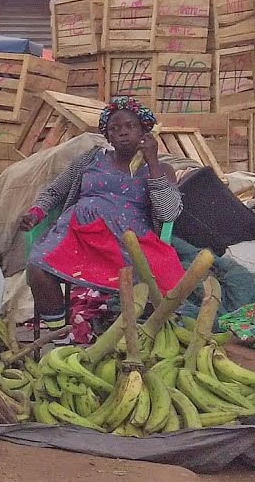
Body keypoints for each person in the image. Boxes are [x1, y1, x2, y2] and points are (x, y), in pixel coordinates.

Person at [18, 96, 184, 337]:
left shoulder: (161, 169)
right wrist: (36, 213)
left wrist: (153, 162)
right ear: (107, 136)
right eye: (114, 128)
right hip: (79, 234)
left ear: (144, 131)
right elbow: (55, 191)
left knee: (166, 284)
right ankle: (61, 338)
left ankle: (134, 336)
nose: (123, 132)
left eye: (130, 126)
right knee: (37, 268)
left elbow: (169, 212)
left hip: (131, 242)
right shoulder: (90, 159)